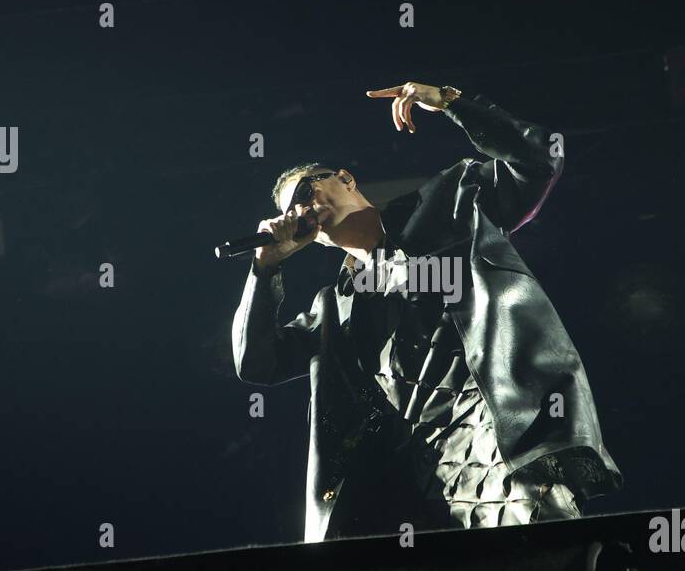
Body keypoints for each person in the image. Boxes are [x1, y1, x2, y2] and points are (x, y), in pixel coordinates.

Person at [233, 81, 622, 542]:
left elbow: (541, 159)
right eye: (289, 210)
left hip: (501, 432)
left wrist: (457, 104)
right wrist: (265, 267)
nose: (300, 208)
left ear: (345, 179)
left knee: (542, 552)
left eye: (305, 190)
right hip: (416, 480)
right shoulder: (334, 309)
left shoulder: (450, 202)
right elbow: (257, 362)